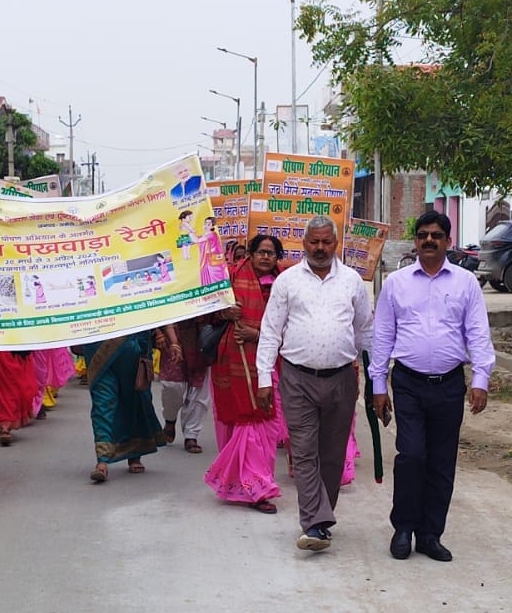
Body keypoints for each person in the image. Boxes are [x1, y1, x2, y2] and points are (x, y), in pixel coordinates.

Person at [370, 210, 495, 563]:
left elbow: (477, 334)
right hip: (408, 382)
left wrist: (481, 379)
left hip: (449, 385)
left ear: (447, 241)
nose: (428, 240)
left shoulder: (465, 283)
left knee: (441, 462)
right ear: (415, 241)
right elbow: (383, 336)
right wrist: (378, 385)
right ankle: (403, 528)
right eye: (422, 234)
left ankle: (430, 534)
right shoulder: (396, 283)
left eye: (435, 235)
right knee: (411, 455)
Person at [256, 216, 374, 551]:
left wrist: (377, 380)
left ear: (335, 244)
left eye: (326, 242)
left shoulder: (352, 281)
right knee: (304, 452)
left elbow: (366, 332)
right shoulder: (288, 281)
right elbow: (270, 331)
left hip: (341, 379)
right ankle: (315, 522)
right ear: (303, 243)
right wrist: (265, 377)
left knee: (333, 456)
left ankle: (322, 516)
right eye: (314, 242)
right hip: (297, 379)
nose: (319, 248)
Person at [205, 234, 288, 513]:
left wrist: (258, 333)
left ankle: (252, 482)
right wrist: (224, 312)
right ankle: (256, 489)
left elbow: (298, 322)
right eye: (261, 252)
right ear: (250, 254)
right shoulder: (229, 277)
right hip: (234, 359)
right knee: (246, 421)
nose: (266, 257)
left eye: (271, 253)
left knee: (266, 423)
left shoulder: (288, 283)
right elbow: (205, 310)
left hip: (275, 360)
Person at [79, 330, 165, 482]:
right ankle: (102, 460)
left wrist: (152, 338)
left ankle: (134, 454)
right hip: (96, 344)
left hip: (132, 343)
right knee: (102, 402)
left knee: (134, 400)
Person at [156, 317, 210, 454]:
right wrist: (158, 331)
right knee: (172, 385)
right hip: (172, 330)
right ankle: (170, 419)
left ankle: (191, 435)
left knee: (199, 387)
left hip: (202, 333)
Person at [0, 351, 38, 445]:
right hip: (17, 349)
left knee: (2, 391)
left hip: (4, 351)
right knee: (15, 389)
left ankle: (4, 427)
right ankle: (4, 427)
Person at [197, 216, 229, 285]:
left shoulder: (212, 235)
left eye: (209, 224)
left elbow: (196, 240)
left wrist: (189, 229)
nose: (206, 226)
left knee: (215, 280)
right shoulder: (205, 235)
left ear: (212, 226)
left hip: (213, 261)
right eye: (205, 223)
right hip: (208, 260)